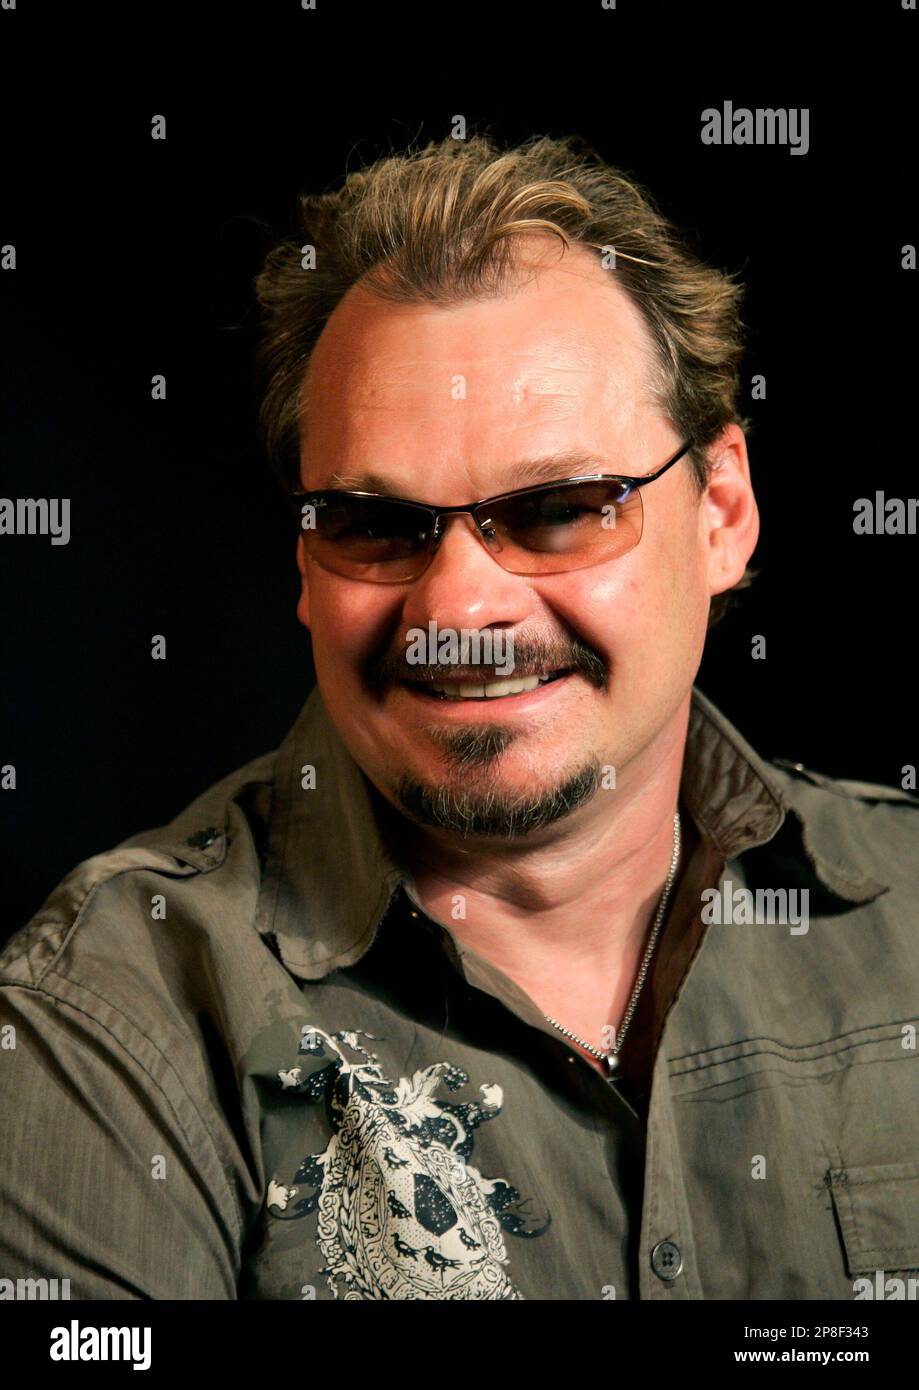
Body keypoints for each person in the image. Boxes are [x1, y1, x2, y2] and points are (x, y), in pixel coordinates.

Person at [2, 134, 917, 1302]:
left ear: (722, 514)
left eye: (555, 509)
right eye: (377, 526)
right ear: (303, 557)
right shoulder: (103, 1032)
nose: (456, 607)